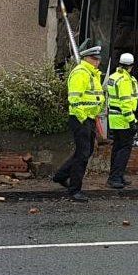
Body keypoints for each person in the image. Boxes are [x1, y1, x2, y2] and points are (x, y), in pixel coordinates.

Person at [51, 45, 105, 202]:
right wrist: (83, 118)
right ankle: (74, 190)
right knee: (83, 154)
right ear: (86, 58)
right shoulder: (81, 73)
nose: (97, 62)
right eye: (94, 59)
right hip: (81, 119)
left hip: (88, 118)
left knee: (85, 152)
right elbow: (74, 98)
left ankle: (61, 176)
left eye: (98, 59)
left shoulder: (91, 73)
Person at [105, 53, 138, 189]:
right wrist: (132, 121)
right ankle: (116, 178)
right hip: (124, 119)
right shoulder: (125, 80)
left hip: (114, 119)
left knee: (117, 148)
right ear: (131, 66)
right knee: (124, 150)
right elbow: (125, 103)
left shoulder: (113, 77)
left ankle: (115, 176)